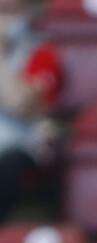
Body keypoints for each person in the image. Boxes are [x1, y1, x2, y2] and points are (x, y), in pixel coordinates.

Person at [0, 0, 62, 221]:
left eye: (9, 11)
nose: (3, 20)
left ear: (27, 12)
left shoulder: (42, 52)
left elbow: (19, 103)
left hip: (21, 148)